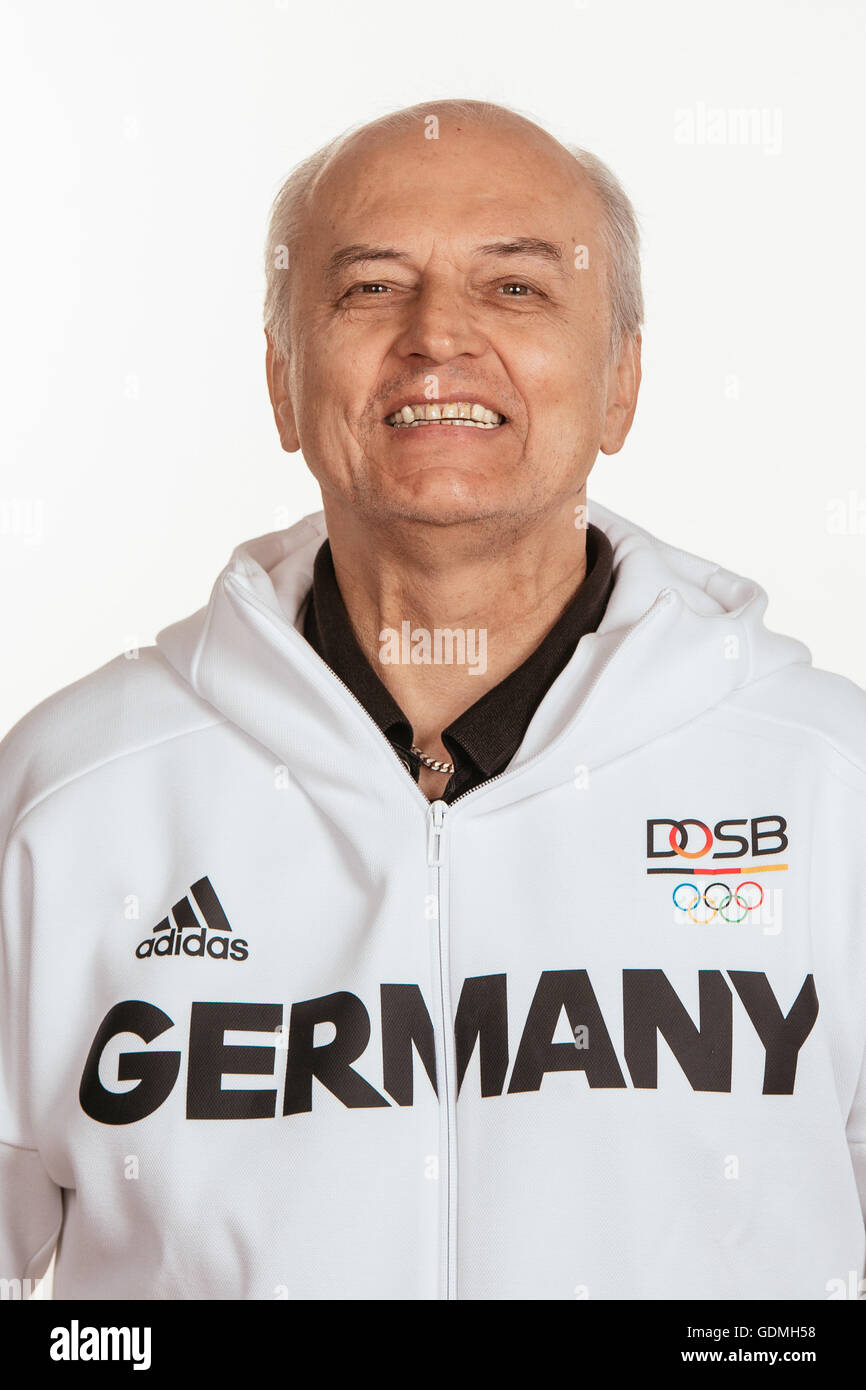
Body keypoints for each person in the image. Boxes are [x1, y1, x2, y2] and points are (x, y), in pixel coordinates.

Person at [1, 97, 865, 1302]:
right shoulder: (66, 795)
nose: (435, 338)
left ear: (619, 379)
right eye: (367, 288)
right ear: (282, 381)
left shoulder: (828, 785)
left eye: (515, 288)